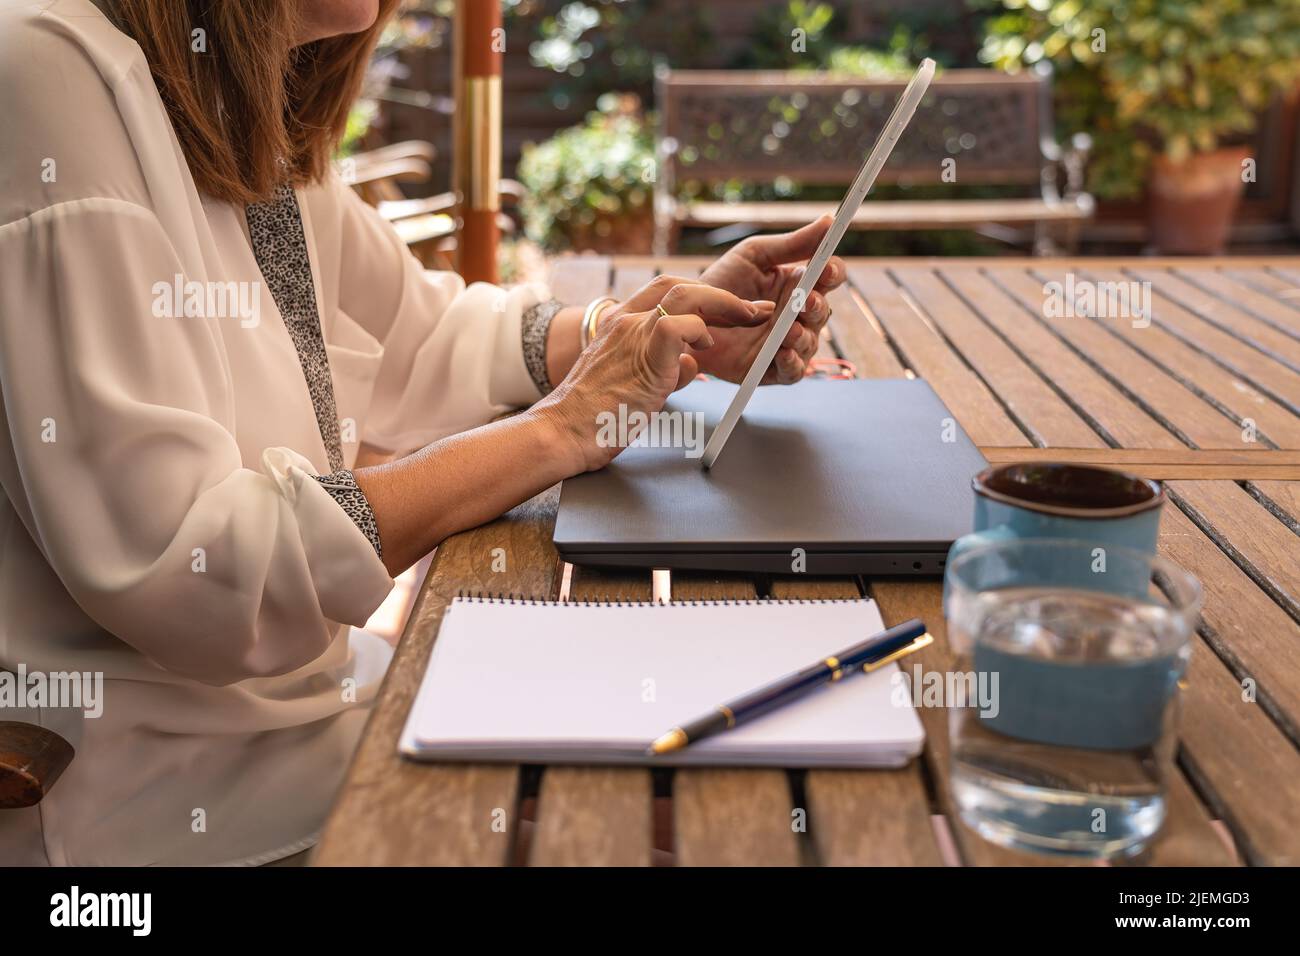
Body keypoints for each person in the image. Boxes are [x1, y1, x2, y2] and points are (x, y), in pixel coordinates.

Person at [0, 0, 846, 864]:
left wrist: (646, 329)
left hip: (309, 715)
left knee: (726, 778)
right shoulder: (47, 75)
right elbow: (202, 571)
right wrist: (562, 430)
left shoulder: (225, 93)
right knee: (707, 825)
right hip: (151, 794)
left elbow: (419, 335)